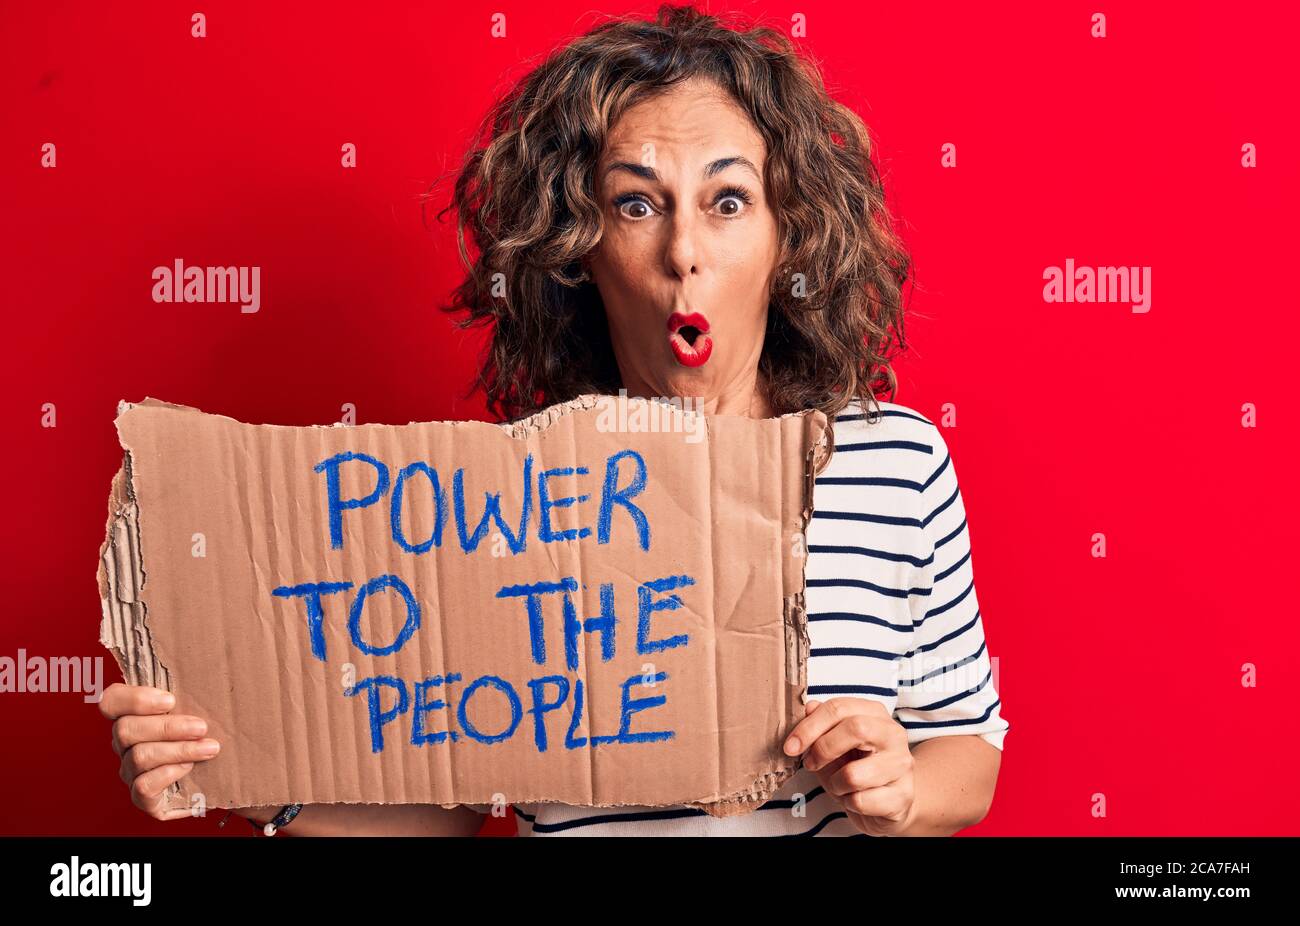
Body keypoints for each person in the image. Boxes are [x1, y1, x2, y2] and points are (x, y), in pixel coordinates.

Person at [100, 3, 1008, 837]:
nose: (684, 251)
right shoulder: (508, 502)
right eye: (636, 204)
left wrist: (905, 790)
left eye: (727, 202)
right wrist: (253, 774)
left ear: (788, 236)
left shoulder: (895, 462)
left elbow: (971, 751)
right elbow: (447, 815)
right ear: (579, 249)